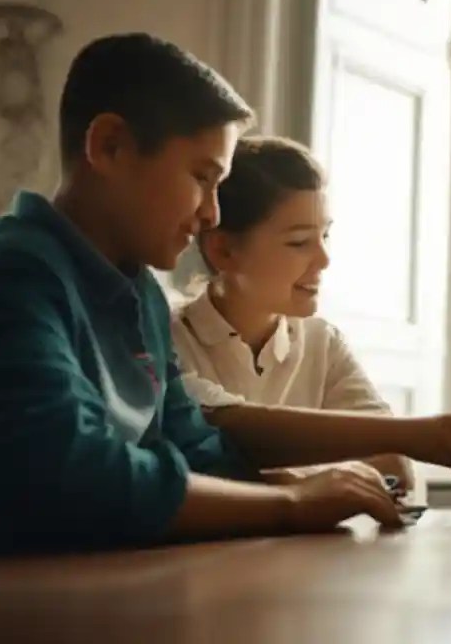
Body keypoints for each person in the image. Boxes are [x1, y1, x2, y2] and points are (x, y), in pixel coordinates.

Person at [0, 33, 451, 553]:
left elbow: (198, 449)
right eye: (203, 178)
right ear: (109, 146)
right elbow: (76, 472)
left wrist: (312, 490)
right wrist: (290, 505)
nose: (211, 214)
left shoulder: (139, 292)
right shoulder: (13, 274)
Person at [171, 135, 410, 489]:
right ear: (223, 250)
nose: (324, 260)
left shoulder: (323, 344)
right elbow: (196, 471)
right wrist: (319, 481)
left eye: (325, 237)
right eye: (299, 242)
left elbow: (395, 465)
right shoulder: (166, 341)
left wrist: (286, 481)